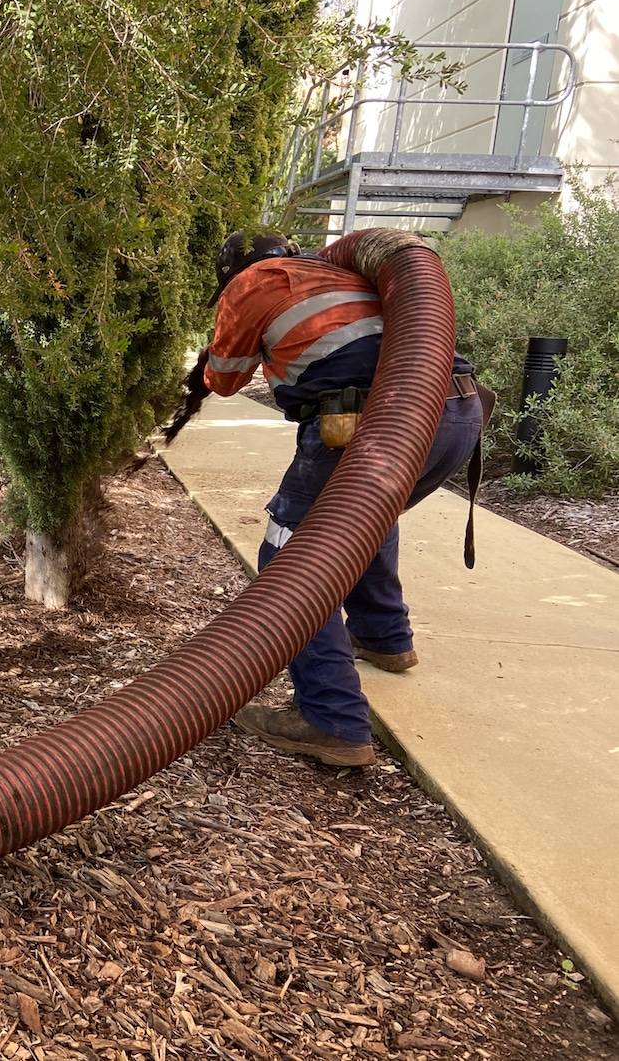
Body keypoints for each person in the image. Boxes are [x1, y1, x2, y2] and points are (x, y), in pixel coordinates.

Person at [197, 230, 485, 768]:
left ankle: (332, 720)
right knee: (364, 518)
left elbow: (226, 378)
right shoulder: (344, 273)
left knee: (292, 556)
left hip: (373, 419)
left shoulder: (254, 281)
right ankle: (384, 638)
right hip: (457, 412)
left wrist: (213, 355)